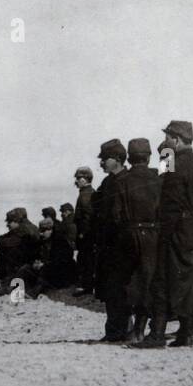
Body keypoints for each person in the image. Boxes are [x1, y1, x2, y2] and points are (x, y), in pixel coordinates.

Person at [132, 121, 193, 349]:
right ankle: (185, 334)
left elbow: (169, 205)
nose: (164, 142)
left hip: (176, 232)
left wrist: (162, 234)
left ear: (176, 139)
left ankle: (156, 335)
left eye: (167, 138)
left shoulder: (174, 165)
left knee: (161, 281)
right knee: (185, 282)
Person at [113, 138, 162, 344]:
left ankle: (131, 329)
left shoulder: (121, 181)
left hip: (129, 235)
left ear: (129, 158)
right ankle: (142, 328)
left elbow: (116, 215)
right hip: (153, 235)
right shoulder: (158, 179)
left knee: (128, 282)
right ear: (149, 157)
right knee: (149, 282)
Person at [93, 139, 130, 341]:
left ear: (117, 159)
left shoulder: (126, 181)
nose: (101, 163)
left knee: (120, 290)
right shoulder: (108, 183)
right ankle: (113, 331)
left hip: (121, 245)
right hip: (107, 245)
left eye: (104, 159)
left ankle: (122, 330)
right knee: (110, 290)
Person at [72, 167, 95, 295]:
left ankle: (86, 286)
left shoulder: (85, 194)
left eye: (78, 178)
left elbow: (87, 216)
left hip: (86, 235)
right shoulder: (89, 192)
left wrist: (82, 234)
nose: (76, 181)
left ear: (85, 179)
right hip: (88, 234)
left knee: (85, 259)